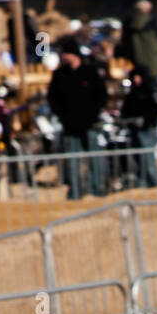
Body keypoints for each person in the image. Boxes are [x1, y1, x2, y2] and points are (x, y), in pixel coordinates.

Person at [46, 37, 108, 199]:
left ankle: (96, 189)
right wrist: (62, 116)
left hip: (90, 124)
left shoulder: (90, 72)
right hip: (69, 125)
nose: (63, 57)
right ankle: (74, 192)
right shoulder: (60, 74)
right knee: (72, 161)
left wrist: (93, 114)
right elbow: (53, 99)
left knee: (94, 158)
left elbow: (101, 96)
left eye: (65, 53)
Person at [120, 65, 157, 188]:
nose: (136, 79)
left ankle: (154, 183)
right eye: (134, 77)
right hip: (135, 130)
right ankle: (143, 183)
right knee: (138, 159)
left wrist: (146, 120)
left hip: (146, 129)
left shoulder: (150, 90)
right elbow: (125, 110)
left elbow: (155, 109)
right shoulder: (132, 92)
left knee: (148, 158)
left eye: (138, 76)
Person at [117, 0, 157, 88]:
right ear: (149, 9)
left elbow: (125, 46)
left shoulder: (128, 25)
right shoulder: (154, 24)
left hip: (138, 67)